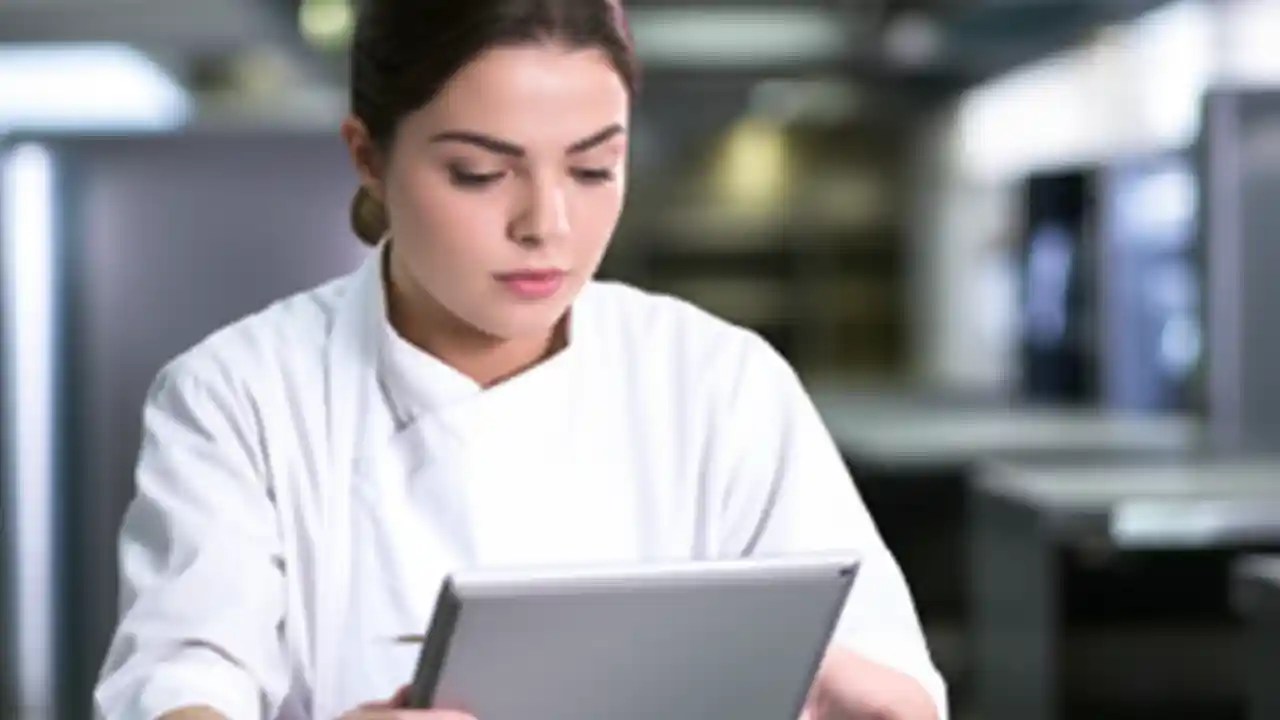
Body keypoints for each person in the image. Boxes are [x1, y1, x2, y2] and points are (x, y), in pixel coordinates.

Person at [93, 1, 946, 718]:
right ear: (370, 158)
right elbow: (180, 676)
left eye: (594, 168)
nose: (547, 225)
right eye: (478, 173)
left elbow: (879, 665)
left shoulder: (718, 383)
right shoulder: (239, 395)